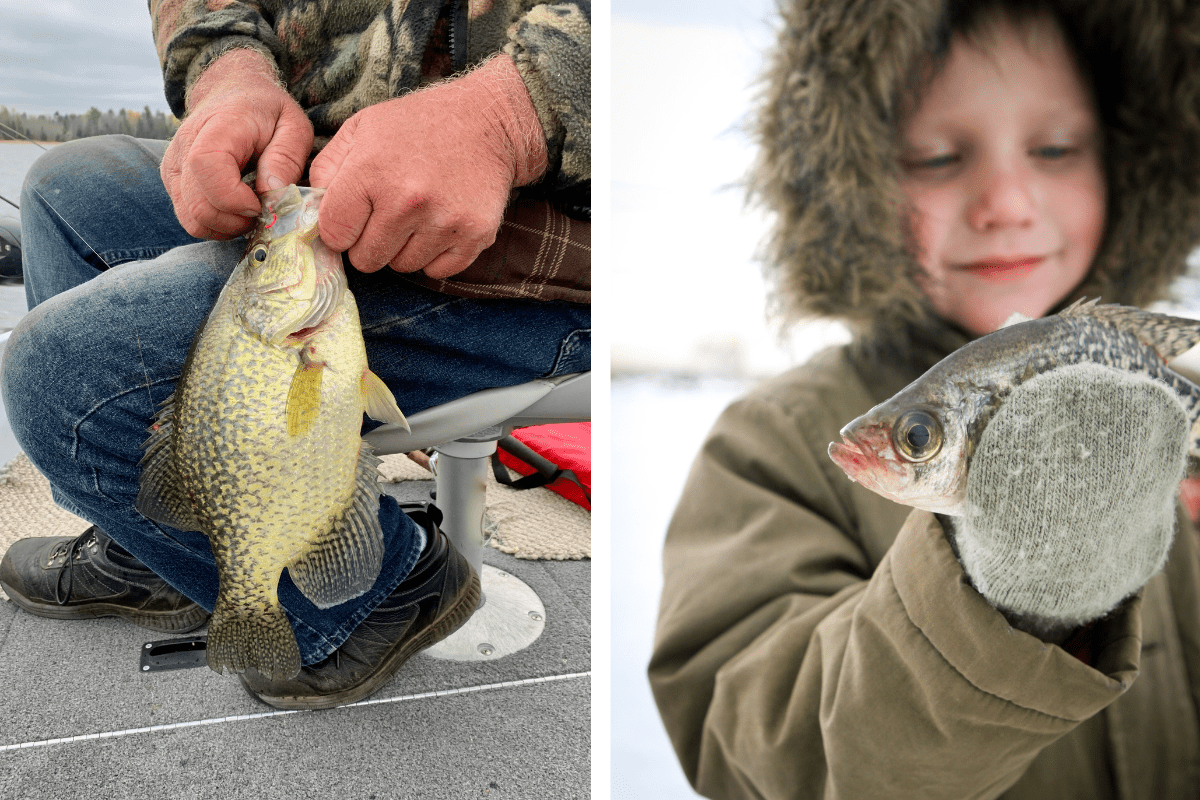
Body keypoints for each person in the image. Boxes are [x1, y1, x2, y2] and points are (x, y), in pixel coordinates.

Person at [648, 0, 1200, 796]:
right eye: (939, 156)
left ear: (1128, 158)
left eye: (1055, 147)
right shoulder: (772, 446)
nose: (1006, 202)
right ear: (854, 190)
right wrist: (1014, 601)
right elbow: (765, 754)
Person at [0, 0, 589, 710]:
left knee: (58, 375)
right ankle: (162, 547)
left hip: (543, 244)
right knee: (64, 188)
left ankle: (382, 595)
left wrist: (510, 114)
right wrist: (228, 70)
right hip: (316, 189)